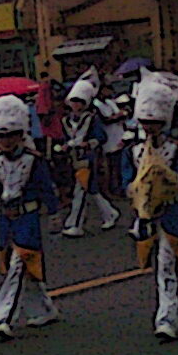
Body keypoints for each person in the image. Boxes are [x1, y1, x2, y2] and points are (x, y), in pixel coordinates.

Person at [121, 71, 178, 341]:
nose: (150, 127)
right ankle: (177, 307)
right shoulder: (132, 151)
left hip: (169, 213)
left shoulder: (175, 150)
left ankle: (166, 318)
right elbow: (124, 183)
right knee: (158, 265)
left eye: (154, 122)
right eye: (146, 122)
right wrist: (137, 189)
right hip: (145, 216)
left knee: (166, 264)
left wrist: (169, 179)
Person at [0, 94, 60, 342]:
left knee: (20, 263)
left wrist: (53, 212)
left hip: (27, 217)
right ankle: (43, 309)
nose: (6, 141)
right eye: (1, 136)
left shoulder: (33, 160)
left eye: (11, 135)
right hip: (6, 219)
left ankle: (3, 317)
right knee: (19, 265)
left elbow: (45, 187)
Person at [59, 70, 119, 237]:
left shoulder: (91, 119)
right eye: (73, 101)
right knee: (91, 190)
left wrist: (88, 144)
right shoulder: (66, 121)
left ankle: (75, 223)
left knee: (81, 191)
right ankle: (109, 213)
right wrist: (65, 146)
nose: (76, 105)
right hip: (73, 158)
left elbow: (101, 137)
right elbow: (66, 139)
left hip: (87, 159)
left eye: (79, 102)